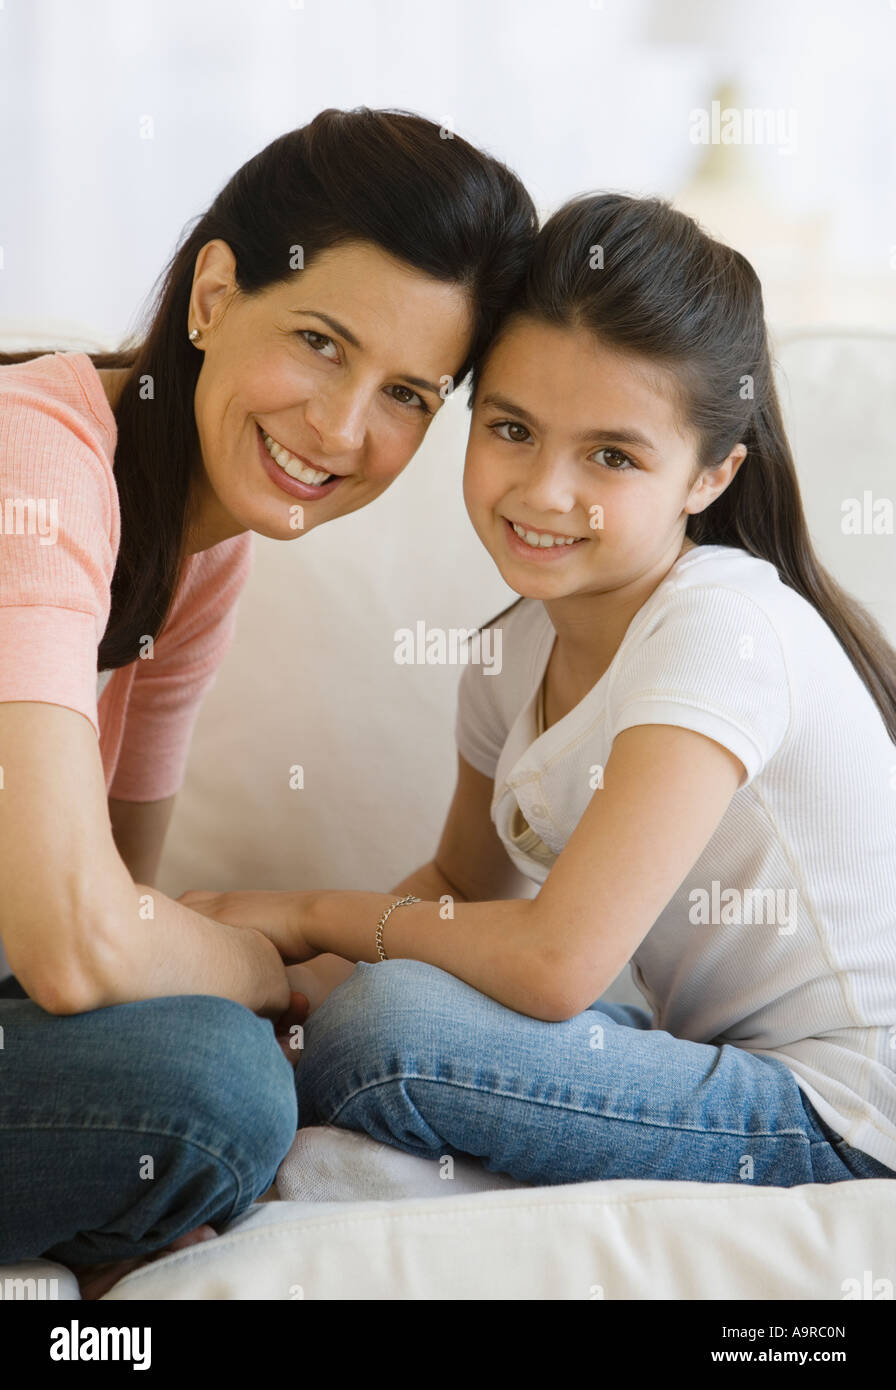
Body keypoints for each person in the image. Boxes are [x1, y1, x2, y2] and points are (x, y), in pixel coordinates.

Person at [188, 193, 896, 1191]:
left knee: (392, 1028)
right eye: (511, 428)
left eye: (610, 455)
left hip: (843, 1110)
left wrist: (305, 912)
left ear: (709, 475)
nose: (542, 490)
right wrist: (268, 988)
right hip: (699, 1058)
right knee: (329, 1013)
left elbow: (554, 964)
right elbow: (460, 894)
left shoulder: (718, 631)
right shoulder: (507, 657)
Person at [0, 106, 537, 1294]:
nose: (342, 428)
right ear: (212, 297)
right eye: (321, 341)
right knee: (218, 1089)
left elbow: (119, 900)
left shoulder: (203, 550)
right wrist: (264, 966)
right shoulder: (38, 461)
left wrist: (198, 962)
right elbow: (75, 941)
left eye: (408, 393)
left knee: (221, 1066)